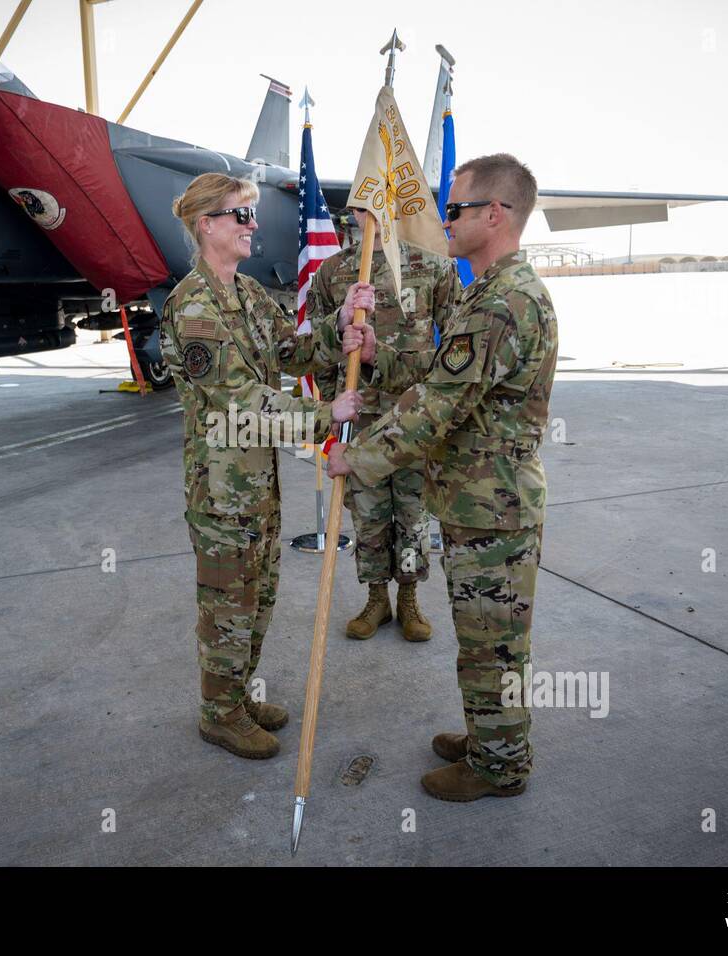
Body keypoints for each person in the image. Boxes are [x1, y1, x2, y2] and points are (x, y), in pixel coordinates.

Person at [329, 153, 558, 802]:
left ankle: (500, 766)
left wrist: (359, 457)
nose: (442, 220)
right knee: (488, 641)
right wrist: (379, 353)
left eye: (453, 209)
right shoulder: (490, 293)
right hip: (478, 503)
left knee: (493, 647)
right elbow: (442, 374)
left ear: (496, 214)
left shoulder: (503, 302)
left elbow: (435, 408)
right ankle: (491, 735)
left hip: (492, 511)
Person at [160, 172, 363, 760]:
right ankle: (218, 714)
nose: (254, 226)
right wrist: (327, 413)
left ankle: (237, 699)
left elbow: (292, 349)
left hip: (256, 483)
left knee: (259, 596)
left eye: (252, 215)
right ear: (206, 225)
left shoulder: (246, 295)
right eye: (240, 216)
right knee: (227, 604)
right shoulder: (194, 307)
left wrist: (340, 324)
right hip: (222, 492)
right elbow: (244, 405)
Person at [308, 210, 459, 642]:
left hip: (414, 417)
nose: (371, 209)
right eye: (363, 201)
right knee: (369, 517)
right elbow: (319, 346)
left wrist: (439, 408)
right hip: (362, 417)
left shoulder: (433, 264)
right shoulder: (335, 271)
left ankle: (409, 597)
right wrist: (330, 401)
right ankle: (377, 597)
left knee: (412, 515)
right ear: (353, 210)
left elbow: (453, 343)